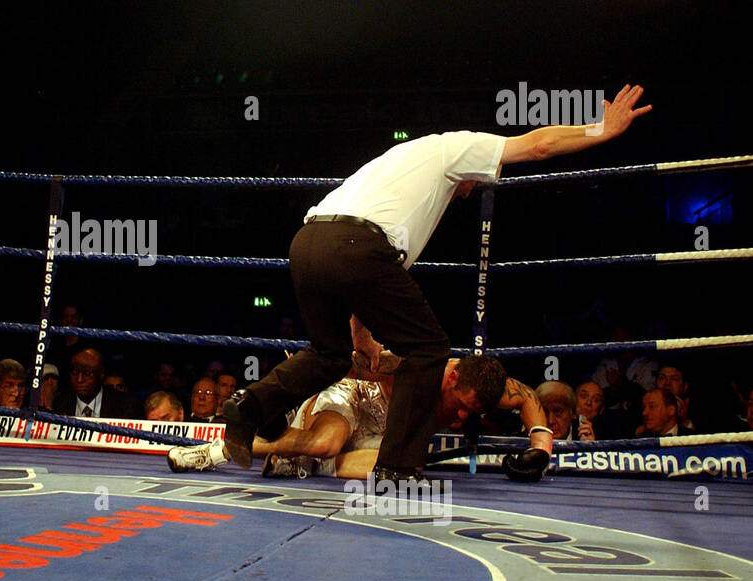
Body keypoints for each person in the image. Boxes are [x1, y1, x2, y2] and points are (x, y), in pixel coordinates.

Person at [221, 84, 652, 484]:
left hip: (309, 243)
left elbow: (364, 280)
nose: (473, 190)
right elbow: (538, 146)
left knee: (330, 355)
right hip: (356, 245)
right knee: (428, 349)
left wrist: (363, 337)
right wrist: (602, 130)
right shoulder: (454, 146)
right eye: (481, 178)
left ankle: (252, 405)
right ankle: (397, 468)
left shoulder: (399, 170)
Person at [170, 356, 544, 479]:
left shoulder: (486, 387)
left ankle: (300, 462)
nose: (462, 416)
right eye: (461, 404)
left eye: (471, 412)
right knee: (325, 442)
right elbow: (336, 361)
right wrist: (285, 392)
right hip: (354, 399)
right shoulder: (417, 366)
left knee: (403, 469)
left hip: (384, 438)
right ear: (452, 377)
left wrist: (540, 449)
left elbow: (530, 397)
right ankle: (219, 449)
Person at [54, 347, 141, 419]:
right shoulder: (59, 403)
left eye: (87, 373)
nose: (80, 379)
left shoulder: (126, 405)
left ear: (101, 374)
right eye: (75, 372)